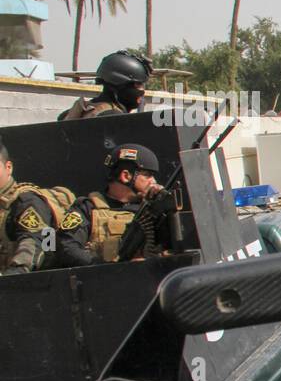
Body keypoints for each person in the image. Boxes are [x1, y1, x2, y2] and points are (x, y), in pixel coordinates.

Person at [64, 143, 171, 263]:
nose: (153, 181)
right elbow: (68, 247)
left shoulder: (152, 210)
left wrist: (164, 205)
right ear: (126, 176)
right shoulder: (88, 208)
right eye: (147, 175)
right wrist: (101, 265)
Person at [0, 141, 88, 274]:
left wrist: (15, 273)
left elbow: (38, 241)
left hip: (31, 285)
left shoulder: (26, 201)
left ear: (8, 167)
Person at [58, 50, 153, 121]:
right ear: (119, 84)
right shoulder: (113, 118)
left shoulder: (72, 114)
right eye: (138, 84)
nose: (142, 90)